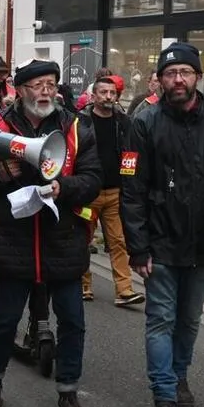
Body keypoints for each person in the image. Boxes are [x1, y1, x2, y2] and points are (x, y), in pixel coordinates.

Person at [121, 42, 204, 407]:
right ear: (160, 80)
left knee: (189, 319)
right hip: (159, 242)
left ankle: (178, 376)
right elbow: (132, 190)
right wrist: (137, 246)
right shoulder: (144, 123)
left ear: (198, 77)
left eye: (186, 73)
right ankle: (163, 397)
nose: (179, 80)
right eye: (171, 73)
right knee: (161, 319)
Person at [0, 59, 101, 407]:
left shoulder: (76, 128)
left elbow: (92, 181)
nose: (46, 91)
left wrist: (64, 187)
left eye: (51, 84)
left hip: (64, 240)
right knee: (7, 318)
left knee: (73, 320)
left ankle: (68, 391)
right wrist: (0, 173)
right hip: (15, 239)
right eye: (38, 84)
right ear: (21, 90)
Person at [79, 77, 144, 306]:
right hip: (89, 193)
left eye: (112, 92)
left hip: (116, 192)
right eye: (103, 92)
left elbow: (132, 154)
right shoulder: (81, 122)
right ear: (93, 96)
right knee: (84, 240)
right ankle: (83, 285)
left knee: (119, 241)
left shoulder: (124, 122)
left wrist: (131, 183)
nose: (108, 96)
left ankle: (124, 289)